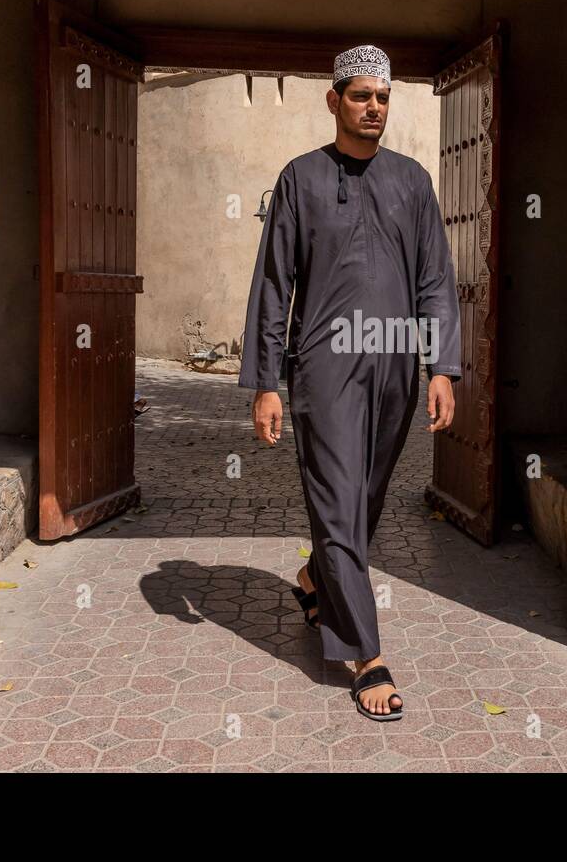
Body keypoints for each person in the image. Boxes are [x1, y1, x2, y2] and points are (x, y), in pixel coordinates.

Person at [239, 44, 461, 721]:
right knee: (337, 503)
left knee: (362, 502)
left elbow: (435, 280)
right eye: (361, 95)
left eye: (384, 97)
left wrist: (441, 366)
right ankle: (366, 653)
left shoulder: (413, 182)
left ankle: (314, 579)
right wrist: (267, 381)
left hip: (394, 366)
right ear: (334, 101)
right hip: (325, 368)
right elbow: (275, 283)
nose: (374, 108)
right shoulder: (301, 180)